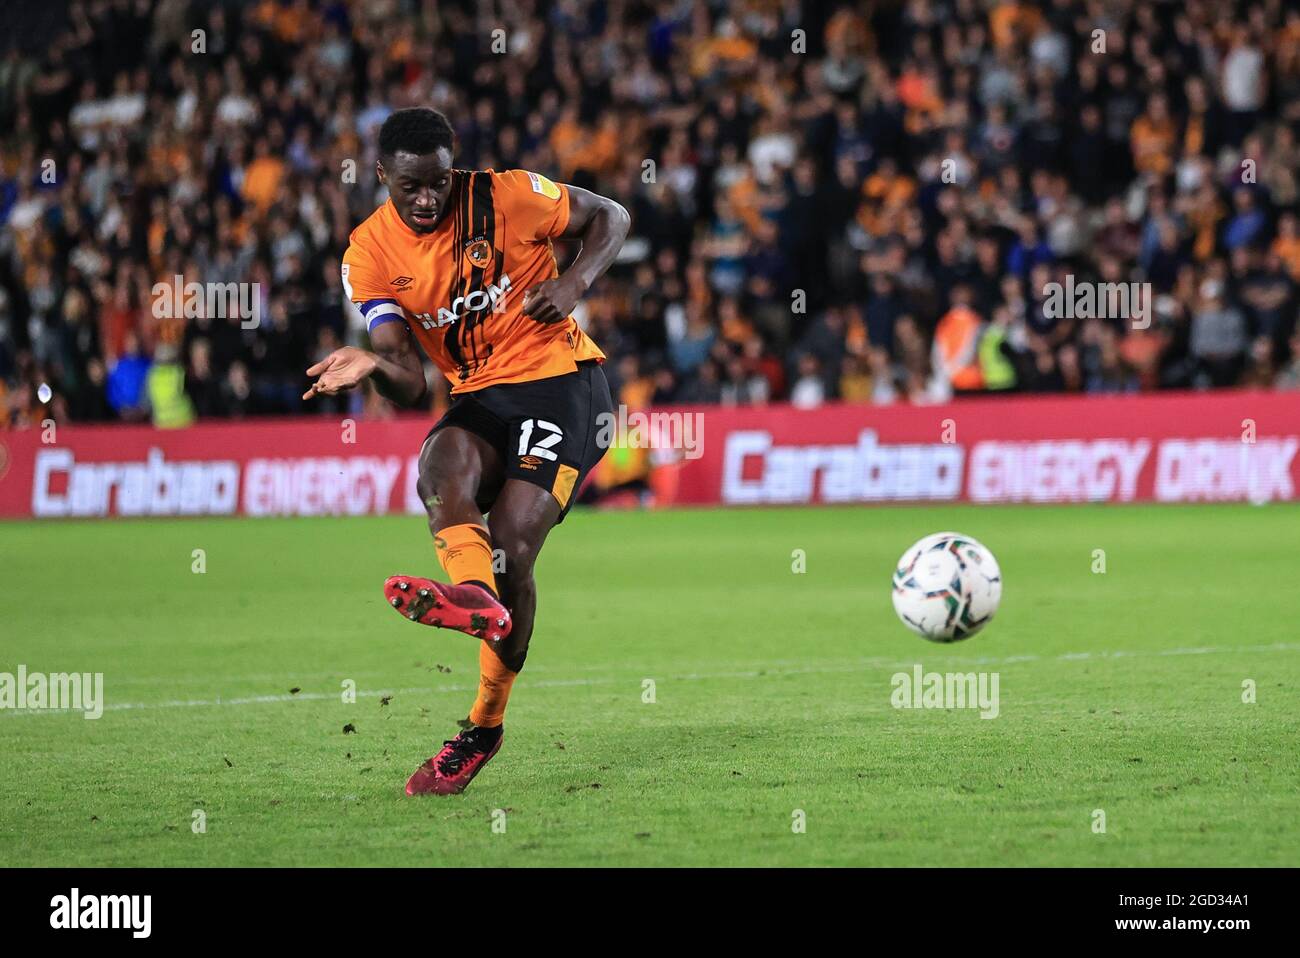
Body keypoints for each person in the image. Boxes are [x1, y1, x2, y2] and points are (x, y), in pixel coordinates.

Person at [303, 108, 629, 795]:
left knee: (512, 540)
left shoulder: (508, 195)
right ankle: (472, 596)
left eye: (439, 184)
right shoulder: (368, 255)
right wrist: (370, 363)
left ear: (455, 169)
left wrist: (573, 284)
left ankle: (482, 728)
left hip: (564, 384)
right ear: (384, 176)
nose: (428, 200)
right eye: (411, 187)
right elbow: (409, 378)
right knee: (438, 464)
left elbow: (612, 217)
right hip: (481, 394)